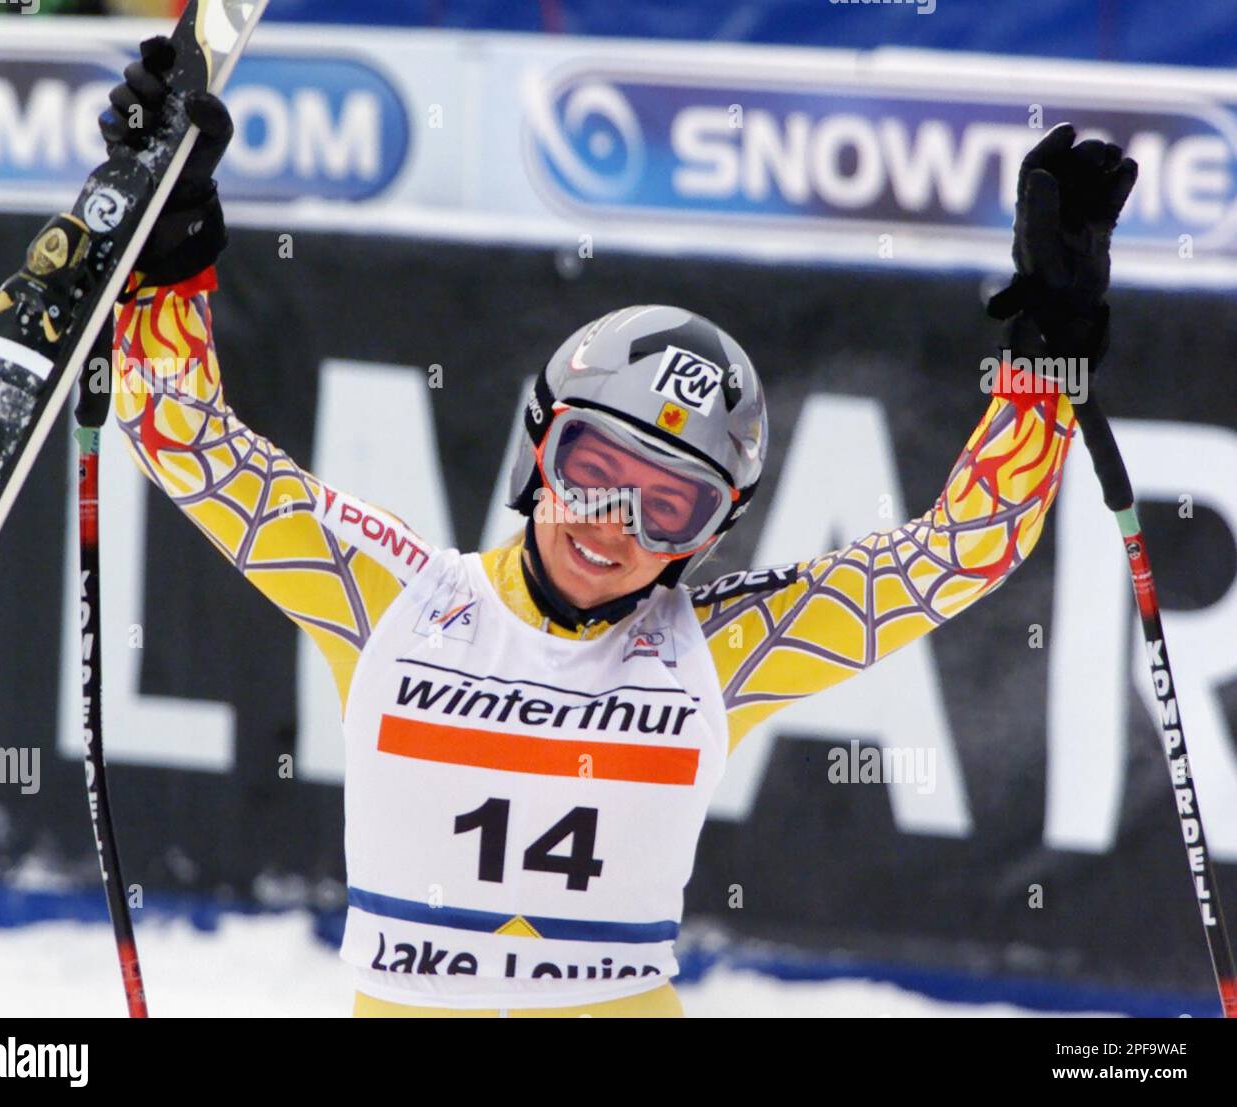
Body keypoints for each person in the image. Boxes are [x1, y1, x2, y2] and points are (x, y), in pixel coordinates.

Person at [87, 38, 1134, 1017]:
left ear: (705, 535)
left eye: (668, 502)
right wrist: (170, 242)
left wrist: (1046, 357)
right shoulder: (392, 604)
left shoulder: (713, 652)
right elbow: (181, 433)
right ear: (538, 449)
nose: (613, 523)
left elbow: (965, 547)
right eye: (595, 468)